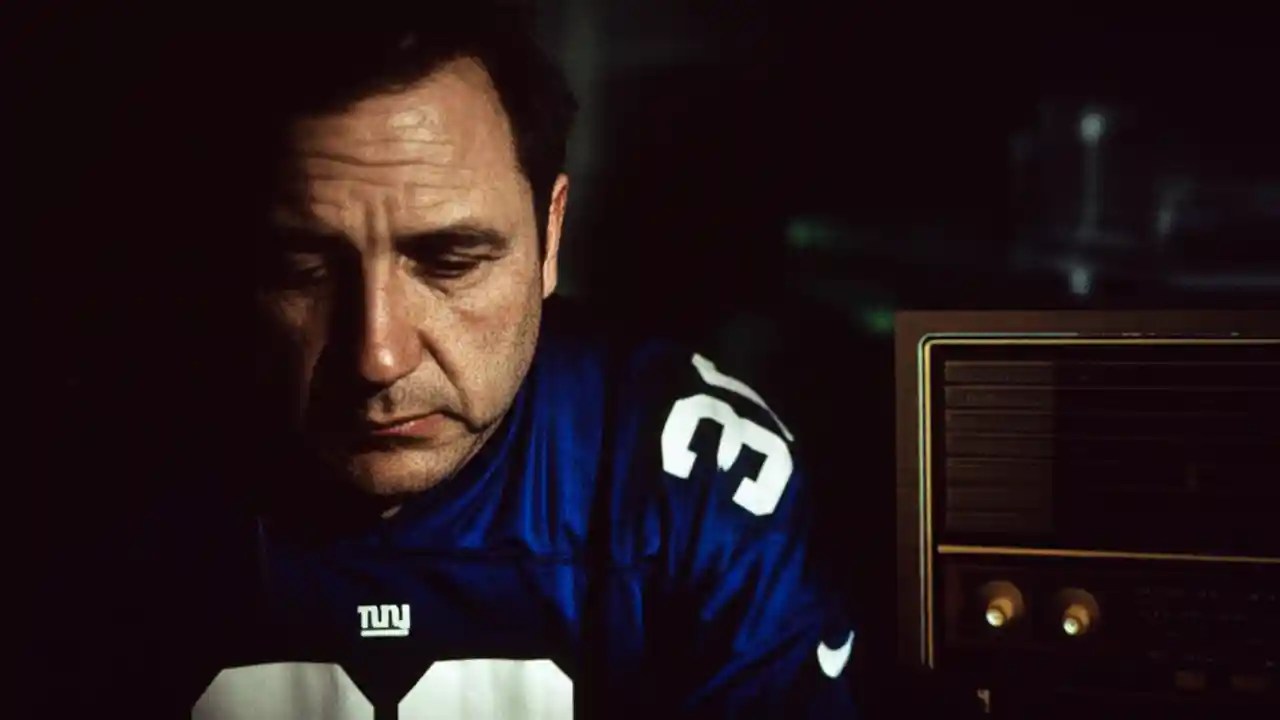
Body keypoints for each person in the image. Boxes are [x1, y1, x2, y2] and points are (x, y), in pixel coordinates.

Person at [53, 9, 858, 719]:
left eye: (450, 261)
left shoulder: (692, 478)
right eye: (305, 269)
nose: (378, 355)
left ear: (550, 235)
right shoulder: (96, 472)